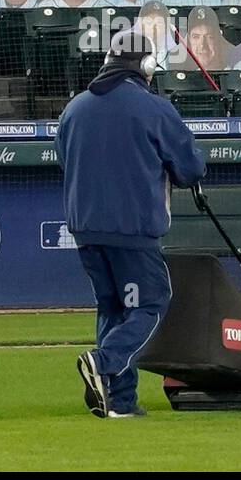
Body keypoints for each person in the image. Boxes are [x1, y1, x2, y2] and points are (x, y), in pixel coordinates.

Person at [56, 27, 206, 418]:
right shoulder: (154, 107)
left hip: (86, 229)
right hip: (133, 229)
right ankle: (102, 362)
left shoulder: (75, 108)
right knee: (150, 304)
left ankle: (119, 402)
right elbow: (190, 170)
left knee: (112, 309)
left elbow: (63, 159)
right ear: (144, 66)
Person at [183, 6, 232, 72]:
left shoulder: (233, 75)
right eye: (196, 37)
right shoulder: (189, 79)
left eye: (210, 37)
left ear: (219, 39)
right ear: (189, 40)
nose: (202, 45)